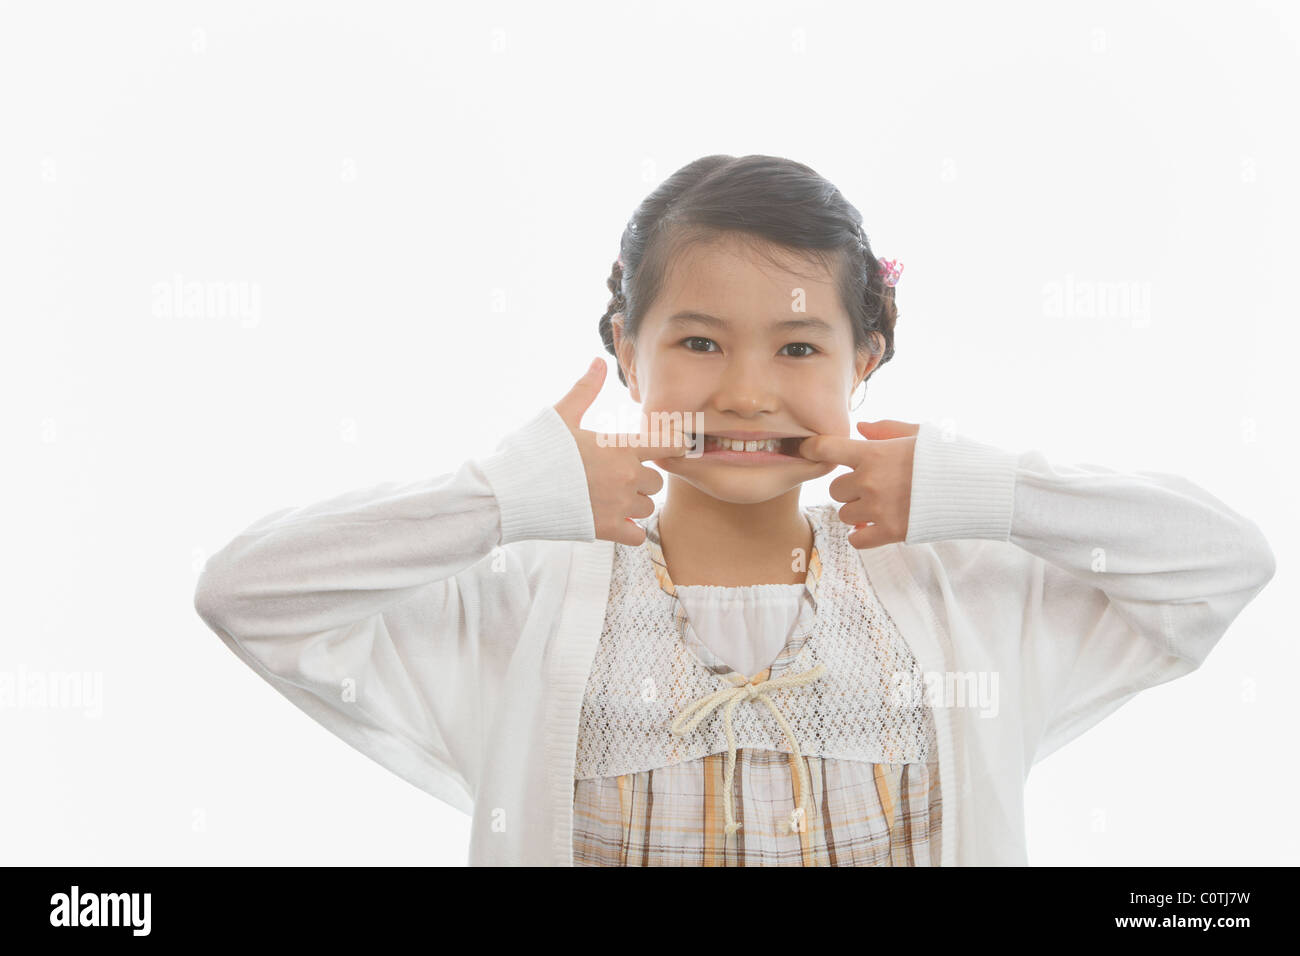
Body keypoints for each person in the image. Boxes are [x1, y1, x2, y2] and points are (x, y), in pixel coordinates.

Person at [193, 154, 1275, 866]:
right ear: (626, 356)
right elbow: (249, 593)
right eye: (698, 342)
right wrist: (504, 498)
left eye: (799, 347)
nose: (746, 390)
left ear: (868, 360)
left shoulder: (958, 599)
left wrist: (980, 490)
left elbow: (1221, 561)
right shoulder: (526, 612)